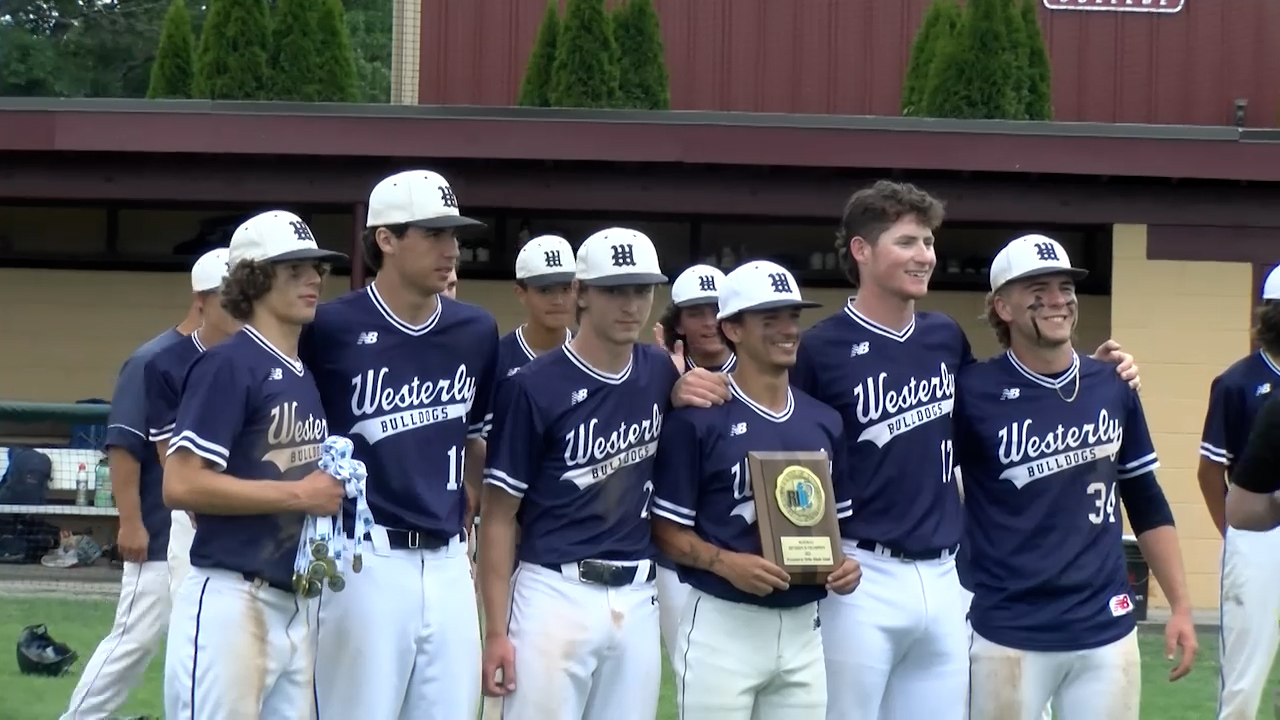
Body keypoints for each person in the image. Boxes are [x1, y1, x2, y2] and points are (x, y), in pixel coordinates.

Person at [789, 180, 1141, 720]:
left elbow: (1007, 403)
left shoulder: (944, 336)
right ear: (861, 250)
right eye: (907, 242)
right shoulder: (820, 347)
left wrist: (1087, 373)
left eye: (928, 242)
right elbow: (787, 450)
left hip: (947, 575)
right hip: (861, 571)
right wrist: (702, 385)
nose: (925, 255)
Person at [954, 234, 1197, 720]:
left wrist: (1182, 606)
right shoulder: (973, 390)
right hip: (1008, 629)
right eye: (1037, 289)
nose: (1057, 300)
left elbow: (1145, 498)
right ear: (1002, 306)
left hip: (1104, 625)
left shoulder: (1112, 384)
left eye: (1065, 287)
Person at [305, 169, 499, 720]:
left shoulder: (476, 329)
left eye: (454, 235)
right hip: (362, 556)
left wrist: (467, 498)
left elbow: (476, 436)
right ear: (385, 239)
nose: (452, 249)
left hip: (448, 561)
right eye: (434, 234)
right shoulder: (328, 327)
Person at [478, 227, 675, 720]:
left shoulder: (660, 373)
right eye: (615, 290)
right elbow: (499, 516)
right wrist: (497, 632)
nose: (632, 305)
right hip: (554, 592)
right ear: (581, 292)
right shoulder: (531, 386)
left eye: (642, 290)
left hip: (637, 594)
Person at [651, 260, 862, 718]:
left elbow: (834, 532)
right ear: (732, 329)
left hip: (805, 627)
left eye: (792, 317)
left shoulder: (823, 421)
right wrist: (727, 563)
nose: (788, 330)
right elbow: (664, 532)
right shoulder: (697, 419)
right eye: (770, 319)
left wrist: (845, 567)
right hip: (723, 624)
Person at [161, 210, 347, 720]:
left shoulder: (302, 372)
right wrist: (299, 496)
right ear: (253, 278)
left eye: (315, 268)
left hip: (293, 600)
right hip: (230, 597)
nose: (313, 279)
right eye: (294, 269)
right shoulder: (228, 363)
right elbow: (179, 484)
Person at [60, 248, 230, 720]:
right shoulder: (153, 360)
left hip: (212, 533)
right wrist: (130, 522)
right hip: (158, 529)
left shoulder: (232, 358)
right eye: (226, 295)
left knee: (202, 648)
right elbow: (124, 447)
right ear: (201, 298)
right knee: (133, 641)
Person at [1203, 264, 1280, 717]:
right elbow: (1209, 470)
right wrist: (1233, 535)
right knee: (1245, 673)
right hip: (1257, 536)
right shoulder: (1238, 381)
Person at [143, 248, 242, 596]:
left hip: (263, 504)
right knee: (193, 622)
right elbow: (167, 449)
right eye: (226, 296)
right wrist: (196, 503)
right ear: (201, 300)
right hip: (196, 513)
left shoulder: (265, 354)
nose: (238, 305)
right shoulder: (167, 363)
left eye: (244, 294)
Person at [651, 263, 737, 661]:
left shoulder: (763, 369)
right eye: (696, 313)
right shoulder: (656, 375)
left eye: (717, 310)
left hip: (746, 541)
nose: (709, 322)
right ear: (679, 323)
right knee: (691, 675)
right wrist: (664, 392)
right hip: (677, 551)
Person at [497, 234, 575, 378]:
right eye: (545, 290)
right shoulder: (497, 357)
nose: (558, 300)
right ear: (521, 293)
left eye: (565, 289)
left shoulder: (591, 354)